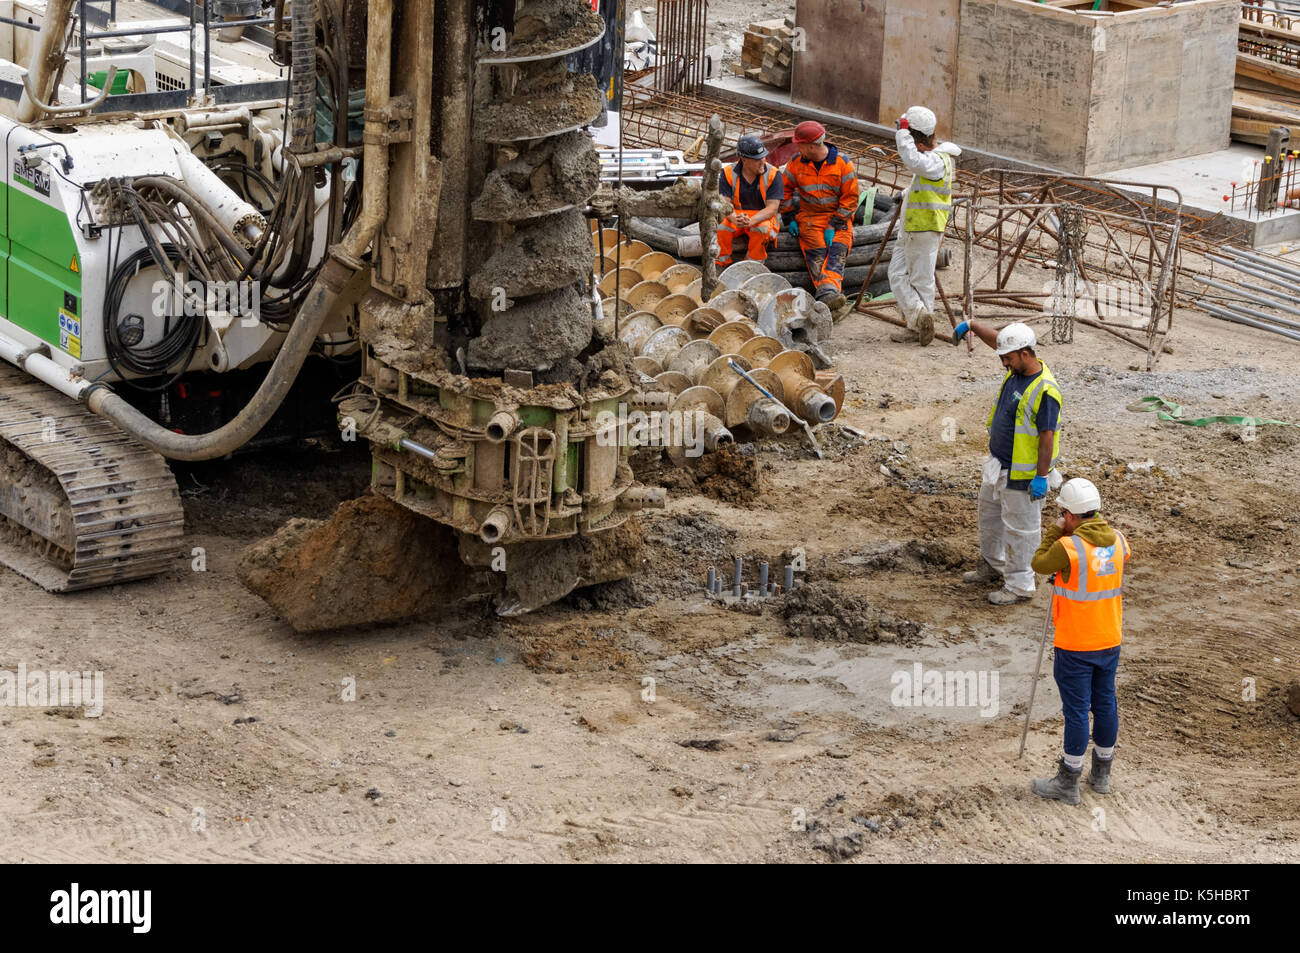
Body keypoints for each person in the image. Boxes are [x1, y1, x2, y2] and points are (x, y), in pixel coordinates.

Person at [1028, 477, 1129, 805]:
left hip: (1076, 644)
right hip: (1109, 638)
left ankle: (1068, 781)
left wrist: (1057, 531)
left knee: (1076, 711)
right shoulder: (1119, 540)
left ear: (1071, 515)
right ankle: (1101, 775)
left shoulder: (1068, 547)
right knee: (1105, 703)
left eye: (1064, 514)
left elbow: (1039, 563)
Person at [950, 320, 1062, 605]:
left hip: (1023, 474)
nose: (1004, 363)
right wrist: (972, 325)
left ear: (1026, 353)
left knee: (1021, 531)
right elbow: (999, 341)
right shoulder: (1017, 367)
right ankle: (993, 564)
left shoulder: (1046, 391)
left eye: (1008, 358)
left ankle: (1020, 585)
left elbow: (1047, 437)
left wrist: (1041, 476)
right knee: (989, 518)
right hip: (998, 464)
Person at [889, 106, 961, 347]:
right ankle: (919, 320)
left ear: (918, 142)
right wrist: (906, 194)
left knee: (919, 279)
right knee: (899, 274)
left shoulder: (936, 162)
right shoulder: (936, 160)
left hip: (922, 227)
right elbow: (923, 185)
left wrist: (902, 134)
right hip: (913, 226)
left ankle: (920, 320)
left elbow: (913, 162)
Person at [779, 119, 860, 319]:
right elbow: (785, 190)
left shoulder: (842, 164)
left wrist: (835, 223)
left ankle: (826, 295)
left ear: (811, 146)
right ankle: (830, 295)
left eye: (799, 144)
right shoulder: (796, 163)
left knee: (837, 253)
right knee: (817, 254)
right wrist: (789, 218)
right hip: (810, 218)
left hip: (837, 218)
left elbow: (851, 198)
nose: (796, 147)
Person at [715, 134, 783, 269]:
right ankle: (721, 263)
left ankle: (752, 266)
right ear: (744, 160)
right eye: (758, 159)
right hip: (737, 215)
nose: (763, 161)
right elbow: (724, 203)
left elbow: (772, 208)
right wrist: (734, 218)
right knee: (722, 226)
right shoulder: (728, 172)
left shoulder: (773, 174)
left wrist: (751, 222)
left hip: (762, 216)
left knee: (761, 228)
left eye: (763, 156)